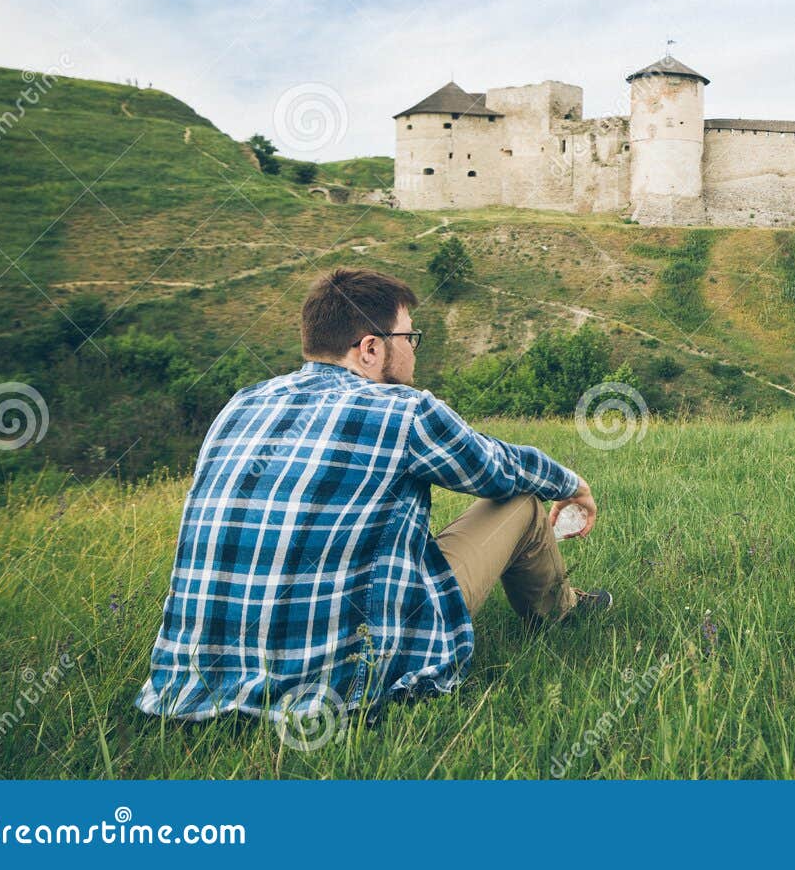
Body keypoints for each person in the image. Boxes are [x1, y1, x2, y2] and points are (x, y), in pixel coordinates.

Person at [135, 267, 610, 725]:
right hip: (345, 679)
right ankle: (561, 613)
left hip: (188, 685)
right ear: (369, 348)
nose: (414, 352)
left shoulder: (238, 405)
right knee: (523, 503)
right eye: (410, 338)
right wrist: (575, 485)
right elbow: (497, 469)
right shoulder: (404, 410)